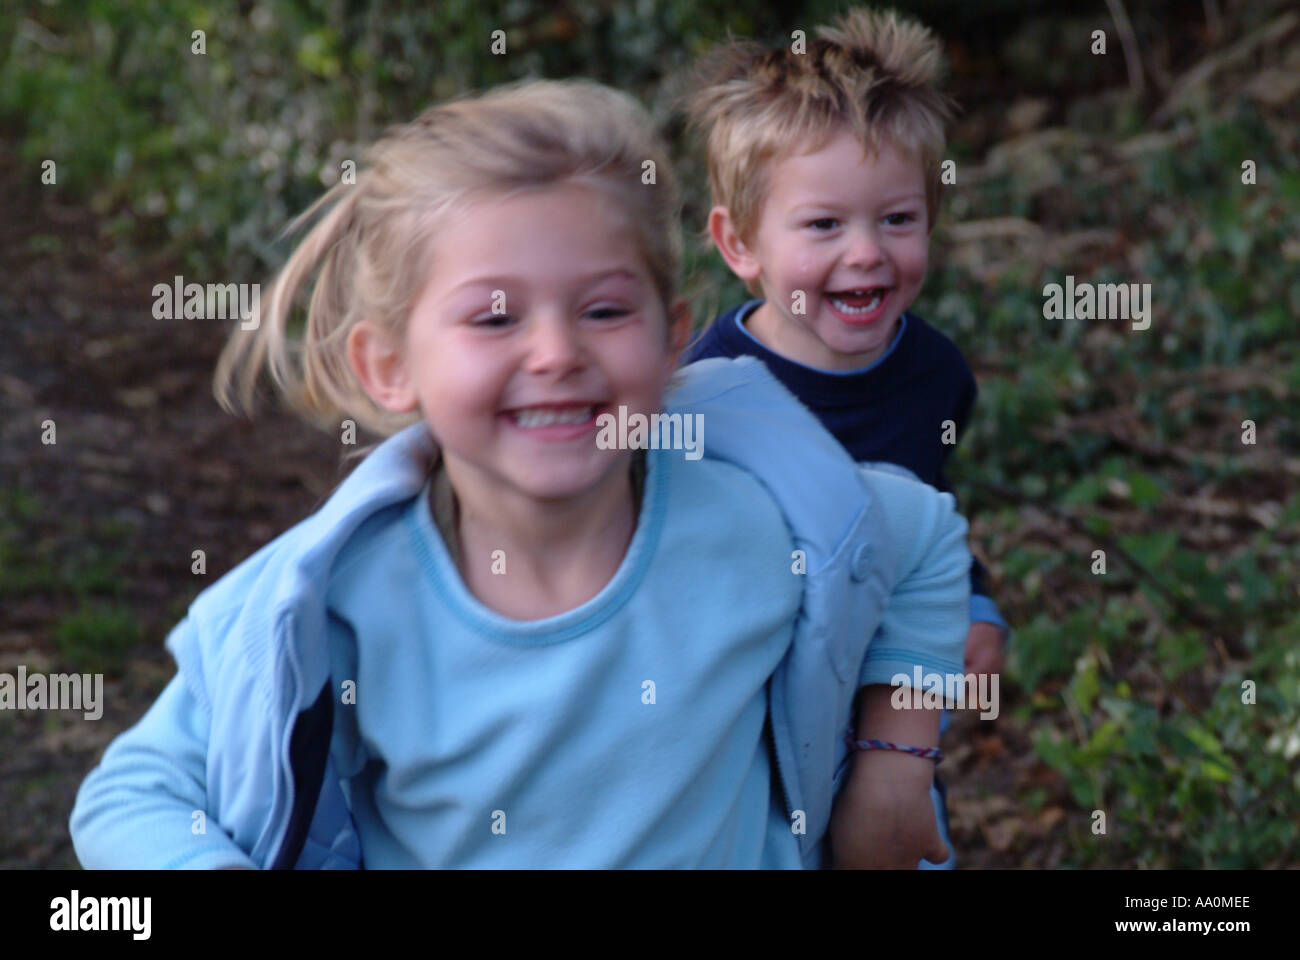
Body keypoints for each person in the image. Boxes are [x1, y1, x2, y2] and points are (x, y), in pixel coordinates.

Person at [70, 78, 969, 869]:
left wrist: (894, 763)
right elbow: (134, 791)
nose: (555, 352)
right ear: (389, 365)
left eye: (604, 309)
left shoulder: (766, 517)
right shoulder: (337, 599)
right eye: (494, 319)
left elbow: (924, 544)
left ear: (669, 339)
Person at [682, 7, 1009, 868]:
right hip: (750, 699)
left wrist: (971, 600)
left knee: (890, 825)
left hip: (880, 687)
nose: (866, 253)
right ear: (740, 242)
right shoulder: (704, 391)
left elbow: (926, 504)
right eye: (824, 226)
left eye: (896, 220)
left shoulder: (934, 373)